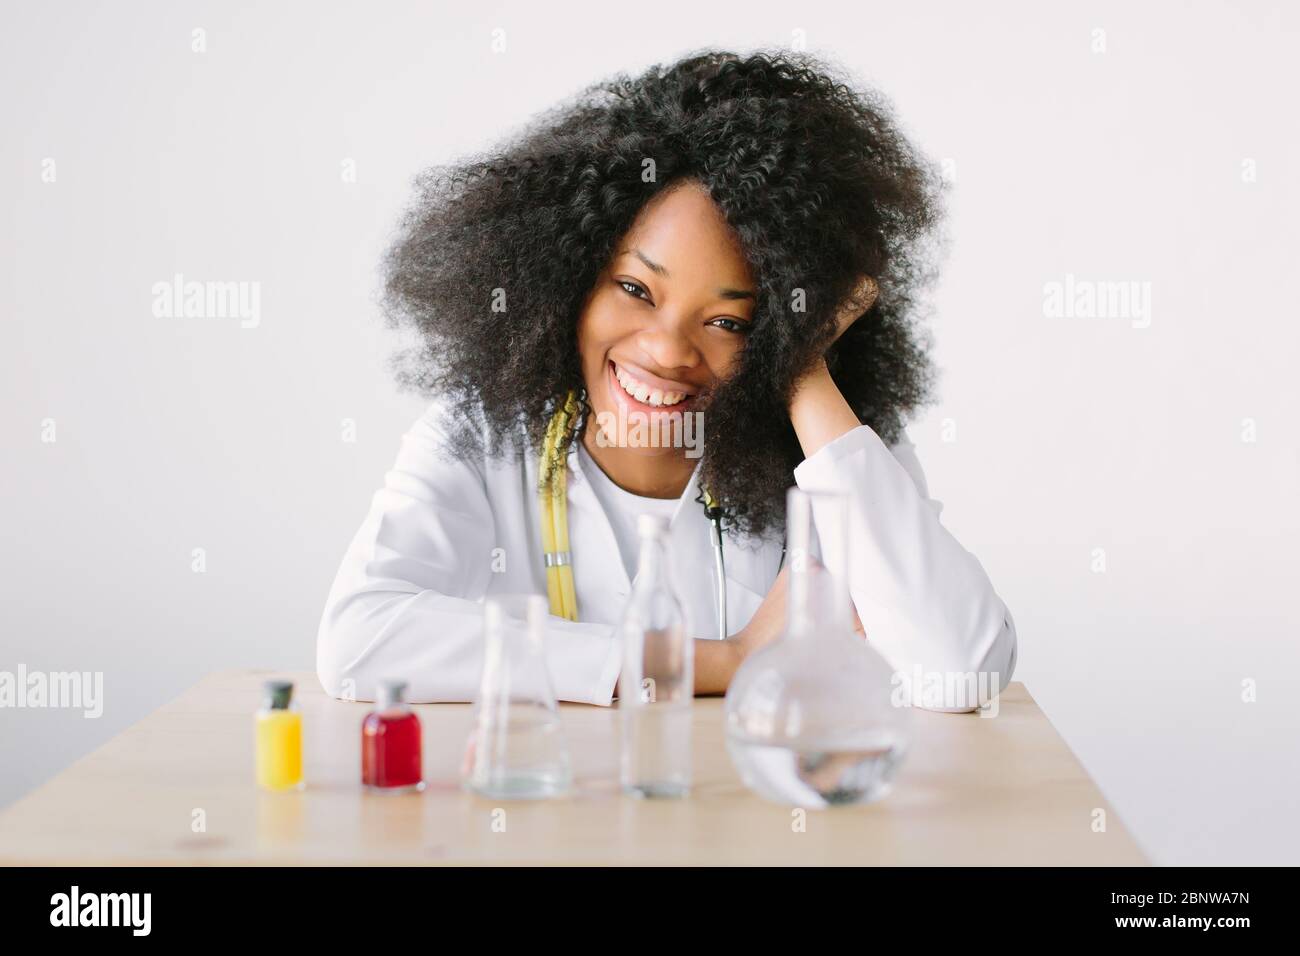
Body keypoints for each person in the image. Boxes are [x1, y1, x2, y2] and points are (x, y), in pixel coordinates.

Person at [317, 50, 1017, 711]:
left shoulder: (830, 458)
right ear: (568, 277)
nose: (665, 350)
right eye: (635, 288)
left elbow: (960, 670)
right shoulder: (481, 434)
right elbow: (358, 639)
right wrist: (728, 659)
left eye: (731, 322)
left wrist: (798, 364)